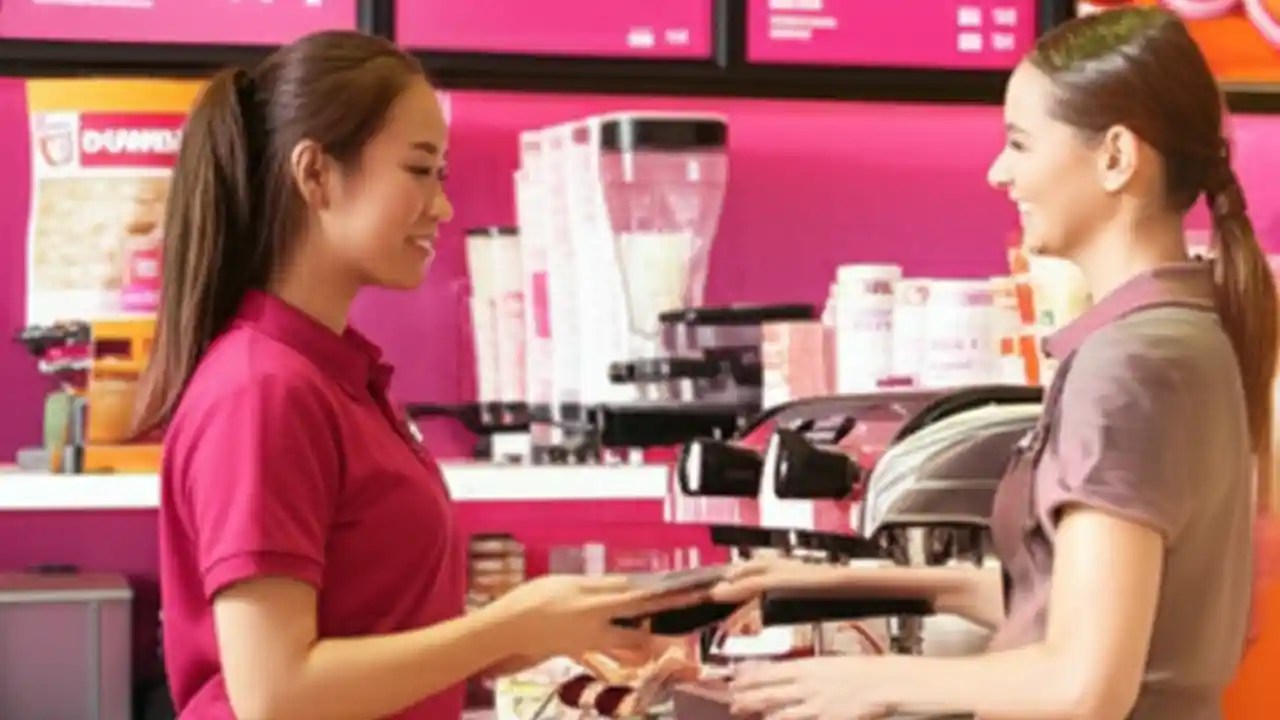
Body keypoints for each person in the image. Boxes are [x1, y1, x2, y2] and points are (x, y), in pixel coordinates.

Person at [713, 8, 1276, 719]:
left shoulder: (1127, 366)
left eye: (1019, 143)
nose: (998, 172)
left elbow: (1083, 685)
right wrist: (833, 584)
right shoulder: (1188, 336)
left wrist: (869, 682)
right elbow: (1065, 605)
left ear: (1115, 158)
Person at [131, 31, 702, 720]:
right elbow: (276, 695)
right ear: (315, 174)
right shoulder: (263, 389)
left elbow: (379, 633)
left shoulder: (337, 379)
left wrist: (556, 631)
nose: (442, 206)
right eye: (419, 169)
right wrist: (510, 625)